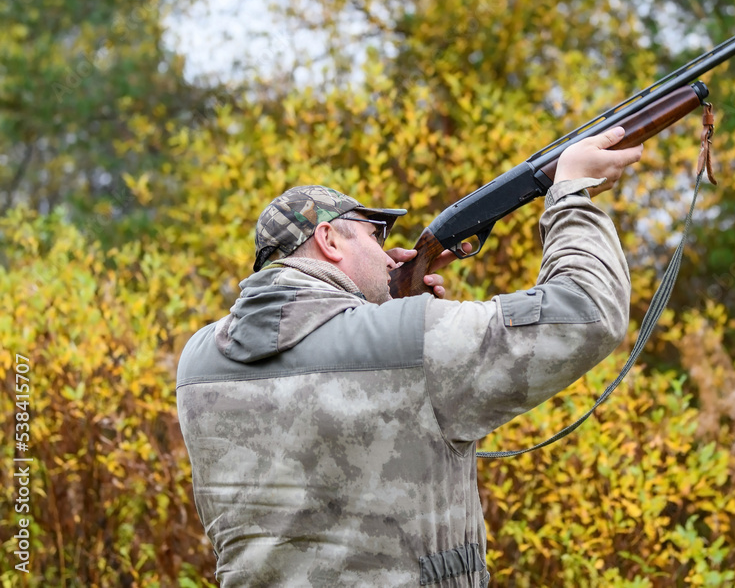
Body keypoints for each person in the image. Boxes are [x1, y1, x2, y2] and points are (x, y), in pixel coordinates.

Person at [176, 125, 640, 587]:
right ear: (329, 240)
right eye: (374, 236)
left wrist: (381, 311)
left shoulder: (197, 362)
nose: (386, 254)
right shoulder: (410, 339)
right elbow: (586, 309)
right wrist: (572, 192)